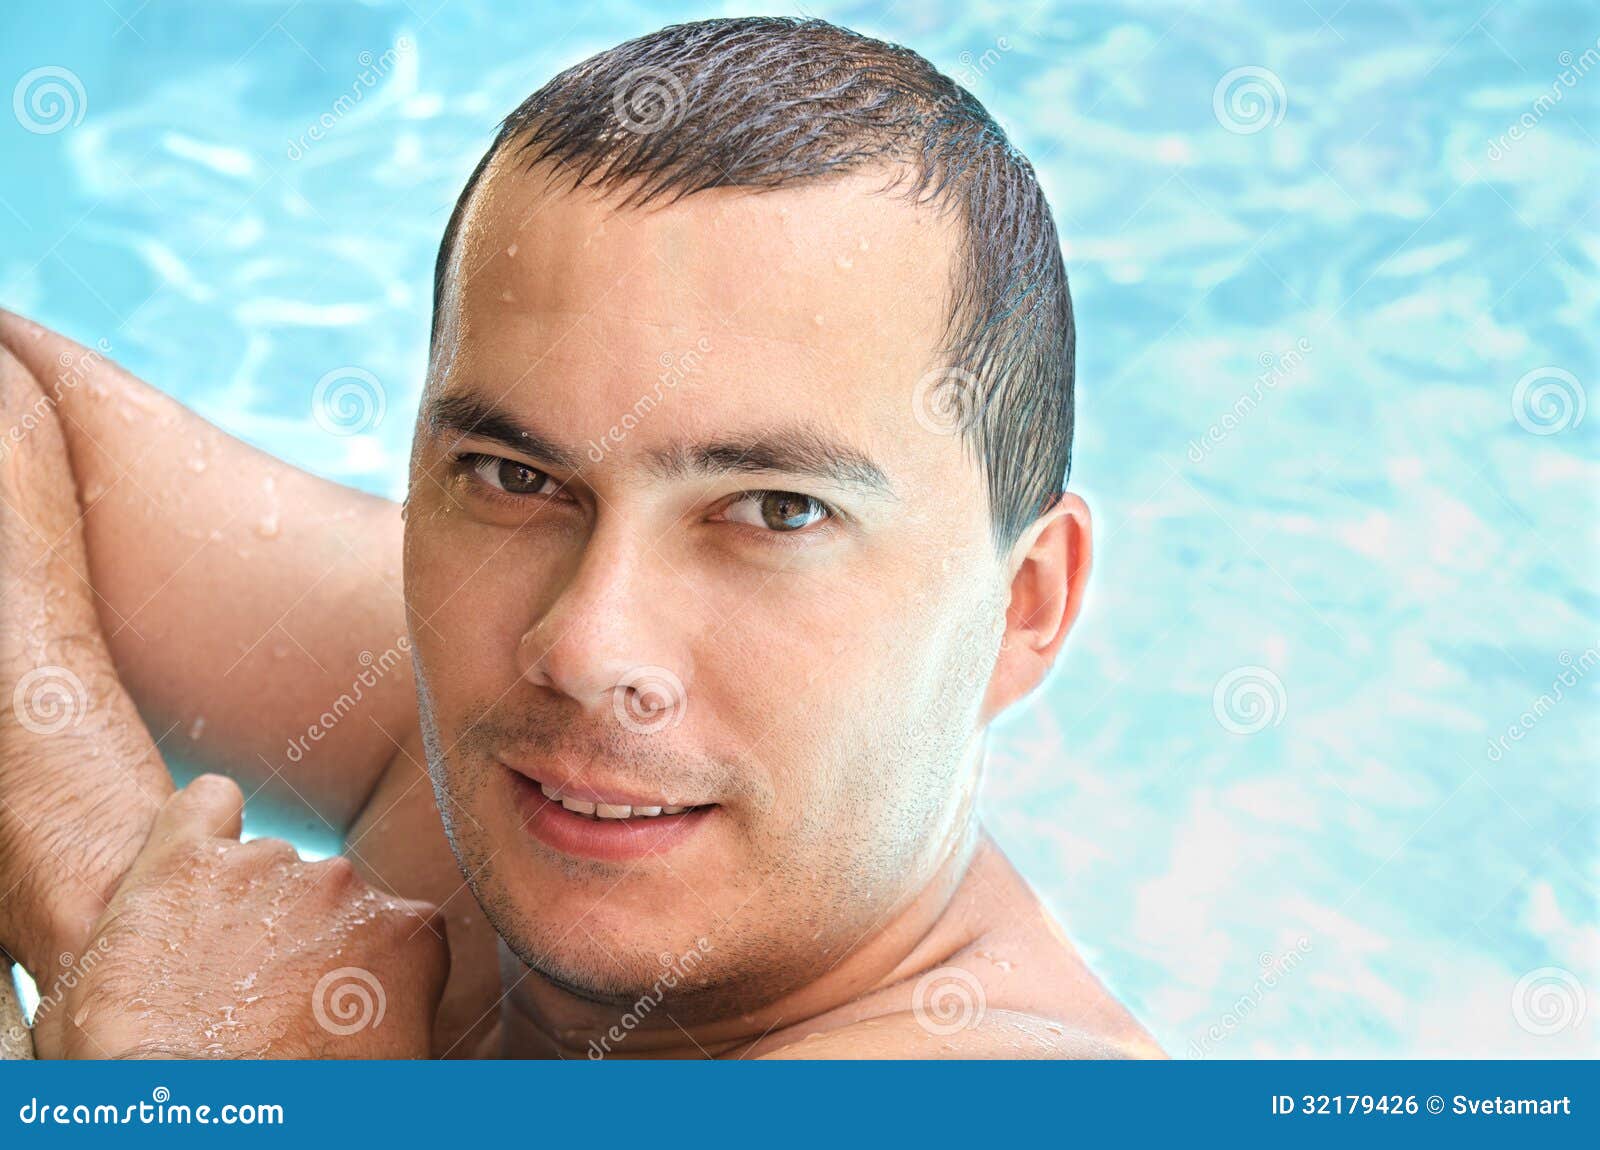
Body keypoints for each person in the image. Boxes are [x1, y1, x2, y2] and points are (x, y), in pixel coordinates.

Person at [0, 16, 1161, 1059]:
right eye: (517, 475)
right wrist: (105, 890)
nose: (585, 646)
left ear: (1025, 607)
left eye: (774, 511)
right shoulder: (490, 727)